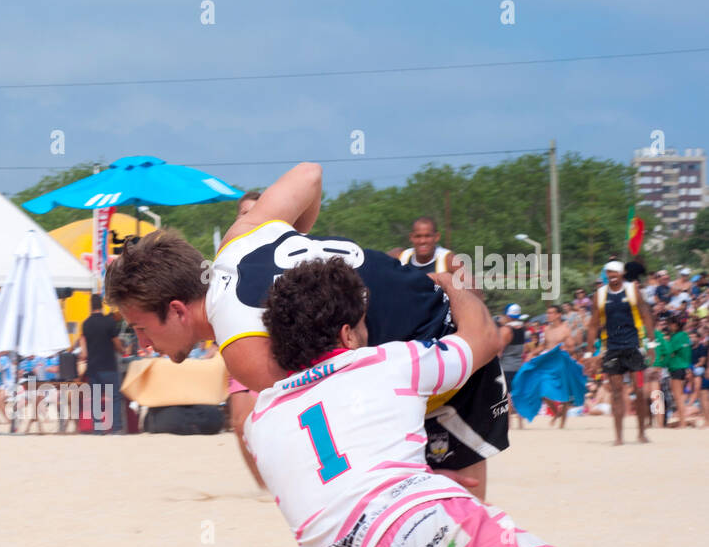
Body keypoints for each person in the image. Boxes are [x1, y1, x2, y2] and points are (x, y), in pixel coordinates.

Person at [243, 255, 707, 547]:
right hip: (429, 521)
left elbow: (330, 481)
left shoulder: (260, 423)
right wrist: (454, 285)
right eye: (363, 325)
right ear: (347, 335)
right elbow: (482, 339)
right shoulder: (390, 360)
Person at [104, 161, 508, 502]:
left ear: (176, 310)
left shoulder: (243, 348)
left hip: (449, 349)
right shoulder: (241, 235)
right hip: (430, 310)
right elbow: (309, 173)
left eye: (141, 328)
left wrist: (406, 482)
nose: (142, 343)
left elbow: (344, 408)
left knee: (460, 538)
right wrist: (298, 241)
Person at [586, 260, 658, 445]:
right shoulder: (600, 295)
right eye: (609, 272)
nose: (612, 275)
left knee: (640, 391)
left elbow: (646, 315)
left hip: (634, 347)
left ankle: (642, 432)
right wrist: (588, 354)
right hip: (611, 349)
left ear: (622, 273)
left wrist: (651, 344)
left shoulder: (633, 290)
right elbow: (593, 324)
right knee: (617, 394)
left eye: (615, 272)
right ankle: (618, 437)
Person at [78, 294, 126, 433]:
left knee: (96, 398)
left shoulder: (85, 324)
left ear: (90, 306)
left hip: (93, 367)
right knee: (115, 397)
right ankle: (116, 428)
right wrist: (122, 349)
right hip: (109, 366)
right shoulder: (109, 322)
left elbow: (84, 352)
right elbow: (116, 344)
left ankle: (98, 428)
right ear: (101, 305)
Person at [389, 216, 458, 274]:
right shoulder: (399, 256)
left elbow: (468, 289)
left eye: (428, 236)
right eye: (418, 236)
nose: (422, 241)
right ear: (411, 237)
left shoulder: (449, 260)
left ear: (437, 237)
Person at [499, 304, 528, 429]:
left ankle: (509, 423)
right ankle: (521, 423)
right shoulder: (523, 329)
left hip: (506, 366)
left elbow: (499, 352)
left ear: (507, 315)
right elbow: (525, 348)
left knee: (507, 395)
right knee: (518, 393)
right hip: (518, 366)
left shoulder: (505, 330)